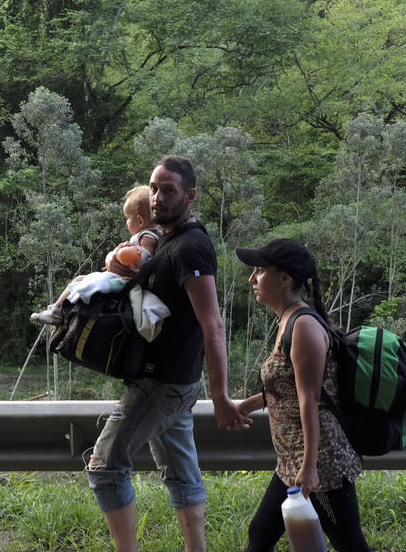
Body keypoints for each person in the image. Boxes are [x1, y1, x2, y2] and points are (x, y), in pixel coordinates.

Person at [86, 156, 251, 552]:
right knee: (180, 474)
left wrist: (221, 396)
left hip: (163, 383)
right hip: (172, 380)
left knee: (105, 467)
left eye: (169, 190)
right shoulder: (168, 238)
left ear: (190, 195)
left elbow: (212, 323)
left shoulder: (191, 248)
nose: (157, 197)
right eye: (154, 188)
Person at [234, 238, 372, 552]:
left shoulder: (304, 325)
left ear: (284, 278)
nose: (251, 279)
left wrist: (309, 469)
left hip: (320, 462)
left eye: (259, 270)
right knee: (260, 534)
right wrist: (248, 405)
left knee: (350, 544)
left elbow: (310, 398)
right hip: (292, 461)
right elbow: (289, 389)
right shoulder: (286, 321)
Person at [30, 185, 161, 324]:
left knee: (80, 280)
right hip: (121, 275)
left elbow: (145, 259)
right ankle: (56, 308)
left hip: (125, 279)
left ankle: (57, 311)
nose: (127, 222)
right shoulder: (148, 235)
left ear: (140, 220)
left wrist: (121, 255)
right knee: (79, 278)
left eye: (128, 218)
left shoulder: (147, 236)